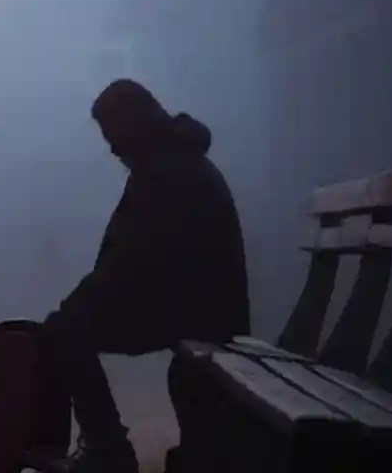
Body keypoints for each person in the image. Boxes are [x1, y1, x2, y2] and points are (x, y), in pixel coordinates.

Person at [42, 79, 250, 473]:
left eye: (113, 135)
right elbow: (132, 259)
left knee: (66, 333)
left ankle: (106, 450)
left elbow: (128, 265)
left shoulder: (165, 172)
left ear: (131, 126)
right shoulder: (175, 160)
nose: (112, 148)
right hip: (203, 306)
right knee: (69, 326)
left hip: (195, 310)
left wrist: (78, 307)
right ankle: (104, 446)